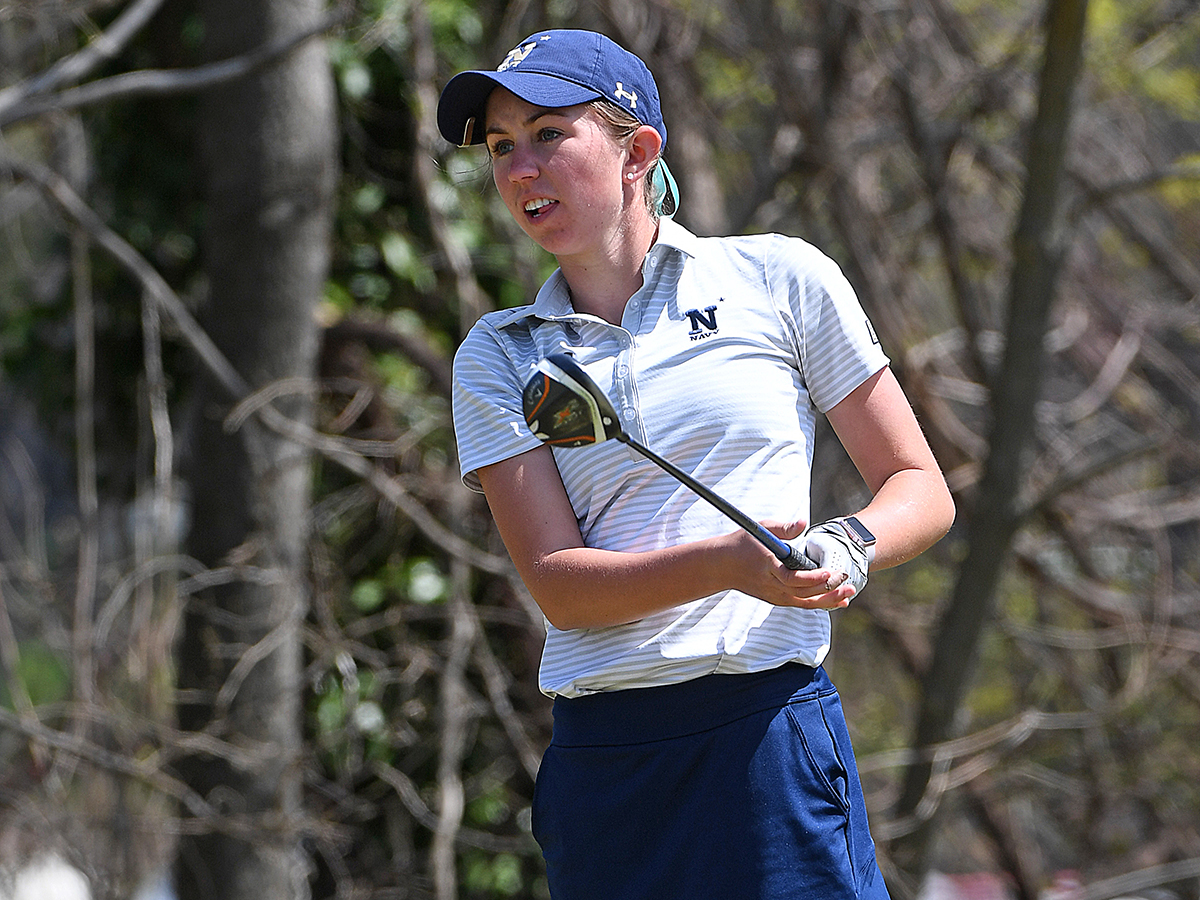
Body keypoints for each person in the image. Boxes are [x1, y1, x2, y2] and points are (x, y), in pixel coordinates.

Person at [437, 28, 955, 900]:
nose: (520, 168)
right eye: (500, 147)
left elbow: (920, 487)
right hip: (607, 768)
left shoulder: (780, 279)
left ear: (638, 151)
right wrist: (727, 564)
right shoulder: (500, 354)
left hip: (765, 737)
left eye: (548, 134)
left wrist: (849, 545)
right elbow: (561, 587)